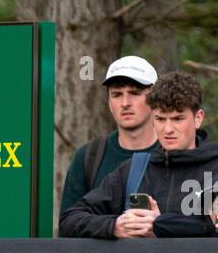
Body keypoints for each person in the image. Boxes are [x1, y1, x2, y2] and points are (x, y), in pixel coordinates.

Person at [60, 71, 218, 238]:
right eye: (160, 119)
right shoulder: (134, 170)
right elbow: (70, 220)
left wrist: (159, 225)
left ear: (198, 118)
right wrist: (116, 226)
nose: (168, 129)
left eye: (177, 118)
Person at [59, 56, 160, 214]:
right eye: (117, 95)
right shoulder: (89, 158)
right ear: (109, 103)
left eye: (135, 93)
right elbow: (69, 227)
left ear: (155, 98)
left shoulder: (175, 152)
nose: (125, 103)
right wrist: (115, 227)